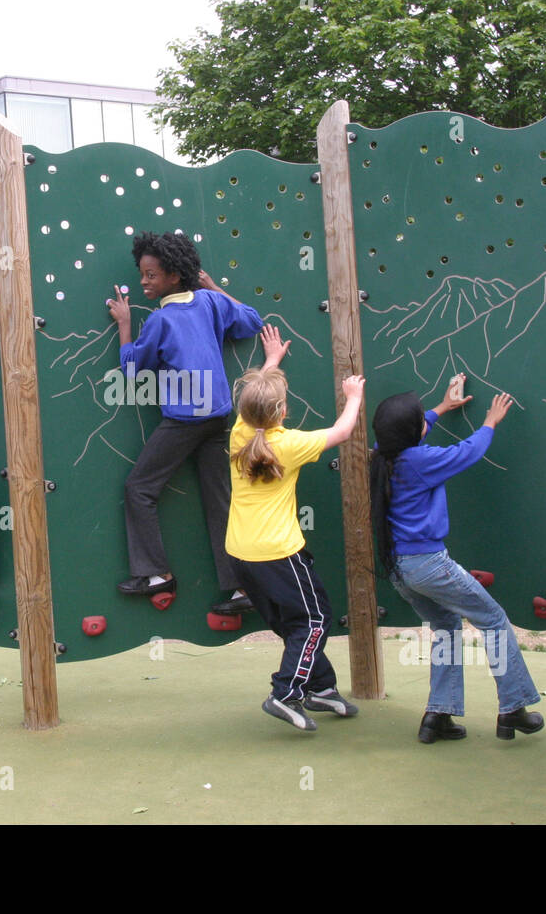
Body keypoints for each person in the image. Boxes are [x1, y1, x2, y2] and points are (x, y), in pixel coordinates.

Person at [369, 380, 543, 743]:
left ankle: (438, 715)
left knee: (446, 625)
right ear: (411, 432)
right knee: (493, 619)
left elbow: (405, 434)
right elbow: (467, 452)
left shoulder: (381, 455)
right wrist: (490, 422)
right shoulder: (420, 461)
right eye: (420, 420)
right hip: (429, 564)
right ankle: (513, 707)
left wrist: (441, 408)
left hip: (400, 570)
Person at [106, 231, 263, 614]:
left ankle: (157, 574)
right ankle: (243, 588)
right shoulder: (209, 302)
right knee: (220, 502)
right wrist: (214, 286)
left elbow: (131, 370)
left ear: (174, 276)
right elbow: (251, 320)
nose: (144, 281)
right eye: (142, 274)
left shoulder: (161, 320)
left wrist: (125, 325)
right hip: (218, 417)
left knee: (139, 488)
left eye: (151, 275)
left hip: (186, 421)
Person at [225, 326, 363, 730]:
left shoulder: (240, 434)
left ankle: (320, 687)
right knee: (315, 620)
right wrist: (353, 396)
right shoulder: (288, 444)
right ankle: (285, 692)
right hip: (279, 554)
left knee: (295, 625)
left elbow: (254, 405)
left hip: (241, 555)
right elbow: (343, 431)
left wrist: (271, 362)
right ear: (283, 412)